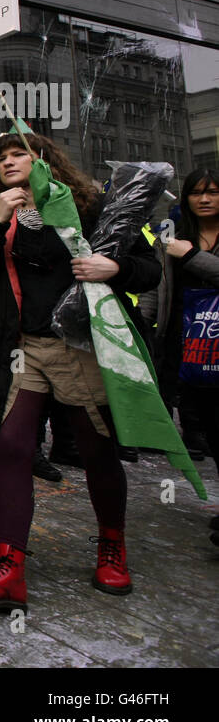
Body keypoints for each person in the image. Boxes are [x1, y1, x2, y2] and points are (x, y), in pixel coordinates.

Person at [0, 132, 159, 612]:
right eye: (0, 158)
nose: (7, 162)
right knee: (14, 446)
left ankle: (112, 547)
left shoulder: (91, 206)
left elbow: (149, 269)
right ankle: (10, 569)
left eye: (17, 153)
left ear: (43, 158)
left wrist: (114, 267)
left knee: (96, 451)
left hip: (81, 348)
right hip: (23, 350)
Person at [140, 168, 219, 546]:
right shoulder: (172, 235)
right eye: (197, 193)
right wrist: (142, 325)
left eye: (213, 192)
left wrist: (193, 257)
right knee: (205, 426)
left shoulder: (186, 246)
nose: (205, 199)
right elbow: (158, 286)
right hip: (186, 343)